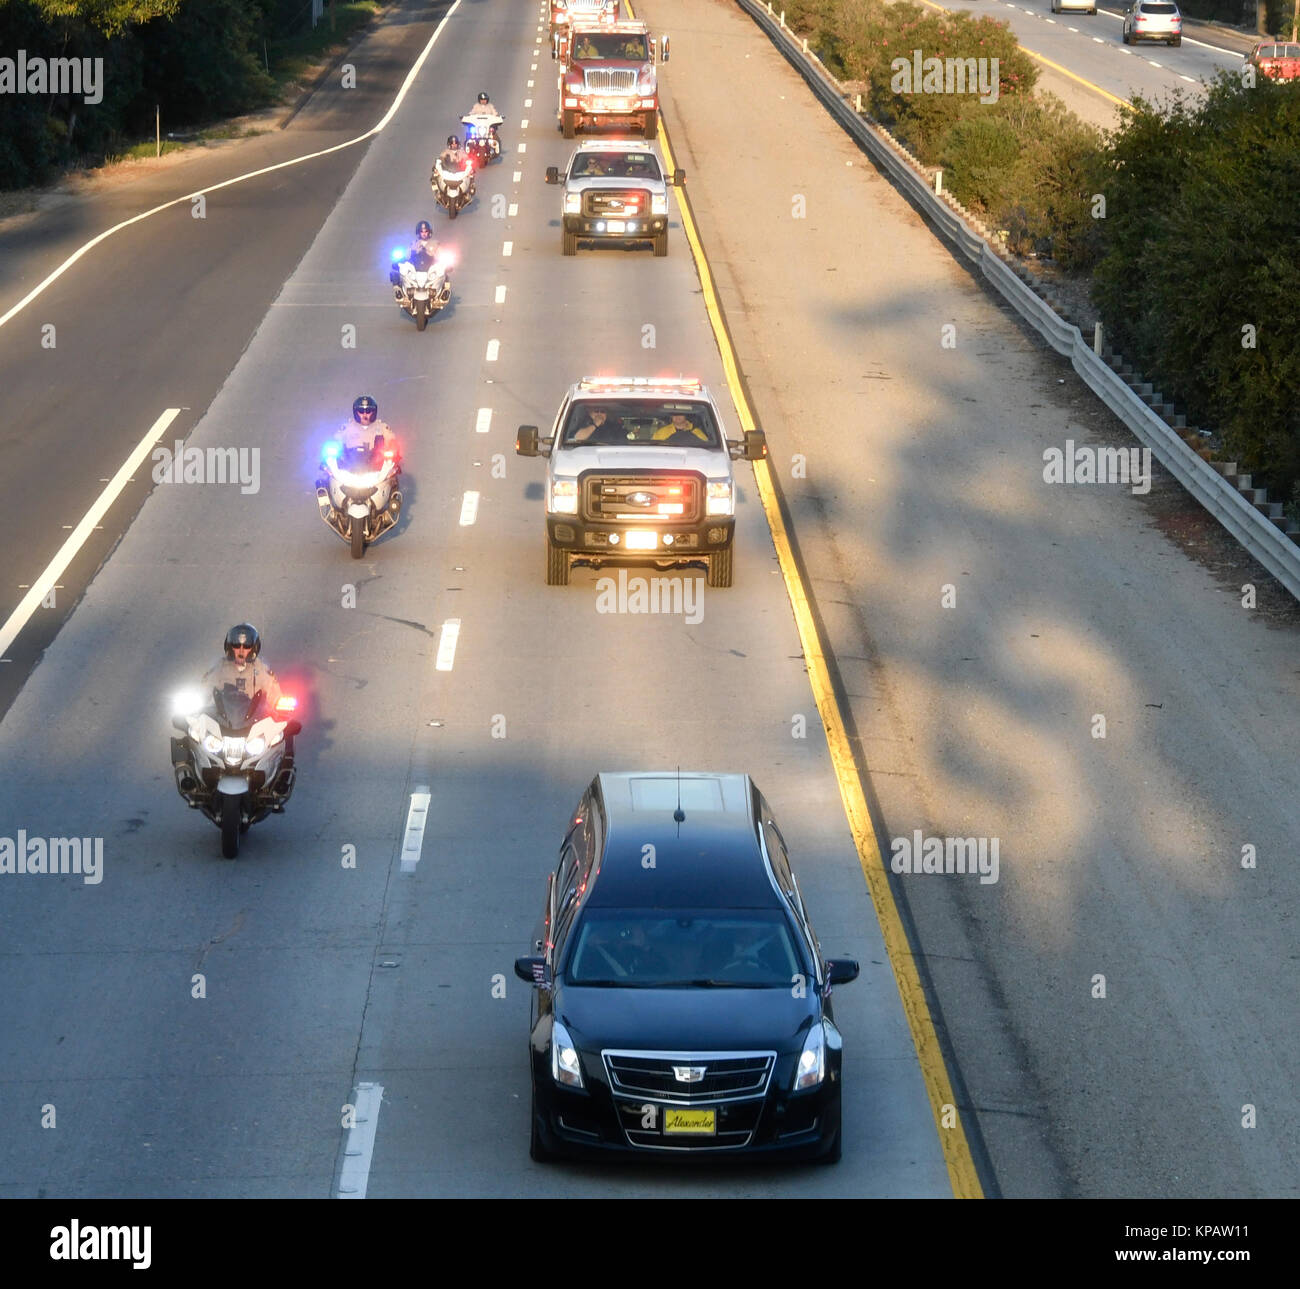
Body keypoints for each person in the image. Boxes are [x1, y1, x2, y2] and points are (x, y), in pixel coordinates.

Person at [203, 623, 283, 718]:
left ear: (254, 648)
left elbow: (276, 700)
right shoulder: (219, 669)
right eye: (236, 645)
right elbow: (204, 695)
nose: (241, 650)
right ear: (230, 647)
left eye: (247, 646)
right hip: (222, 724)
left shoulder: (261, 670)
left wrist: (279, 708)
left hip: (255, 726)